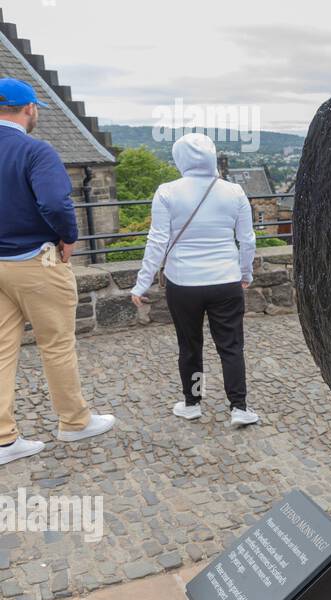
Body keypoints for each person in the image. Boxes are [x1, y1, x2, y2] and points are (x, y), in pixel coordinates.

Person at [0, 78, 116, 464]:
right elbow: (54, 201)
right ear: (29, 109)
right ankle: (74, 421)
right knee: (57, 344)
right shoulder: (36, 151)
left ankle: (3, 438)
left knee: (1, 351)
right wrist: (68, 237)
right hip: (38, 260)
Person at [129, 133, 259, 426]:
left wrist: (141, 283)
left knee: (190, 345)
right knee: (231, 345)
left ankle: (193, 403)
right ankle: (238, 407)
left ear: (180, 158)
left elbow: (157, 242)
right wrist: (245, 272)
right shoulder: (234, 191)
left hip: (183, 283)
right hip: (226, 280)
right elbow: (247, 240)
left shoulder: (167, 192)